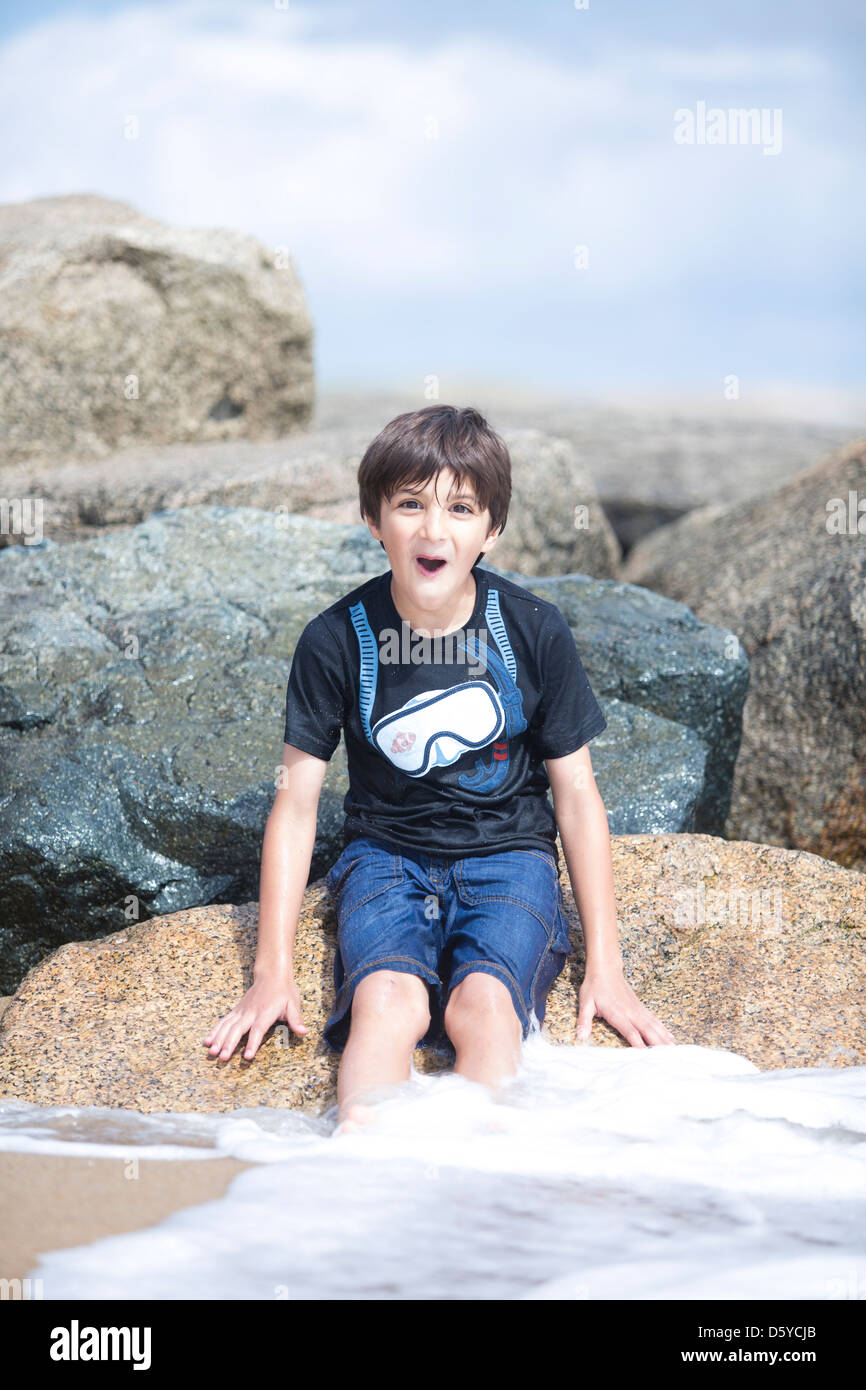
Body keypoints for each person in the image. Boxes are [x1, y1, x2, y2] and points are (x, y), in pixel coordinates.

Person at [202, 405, 674, 1133]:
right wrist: (271, 973)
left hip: (508, 860)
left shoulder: (531, 629)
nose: (433, 530)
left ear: (490, 531)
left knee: (480, 1005)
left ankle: (474, 1180)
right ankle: (363, 1163)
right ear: (373, 519)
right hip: (385, 862)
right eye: (410, 504)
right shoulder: (337, 640)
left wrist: (607, 969)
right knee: (388, 1001)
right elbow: (296, 803)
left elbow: (576, 794)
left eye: (459, 509)